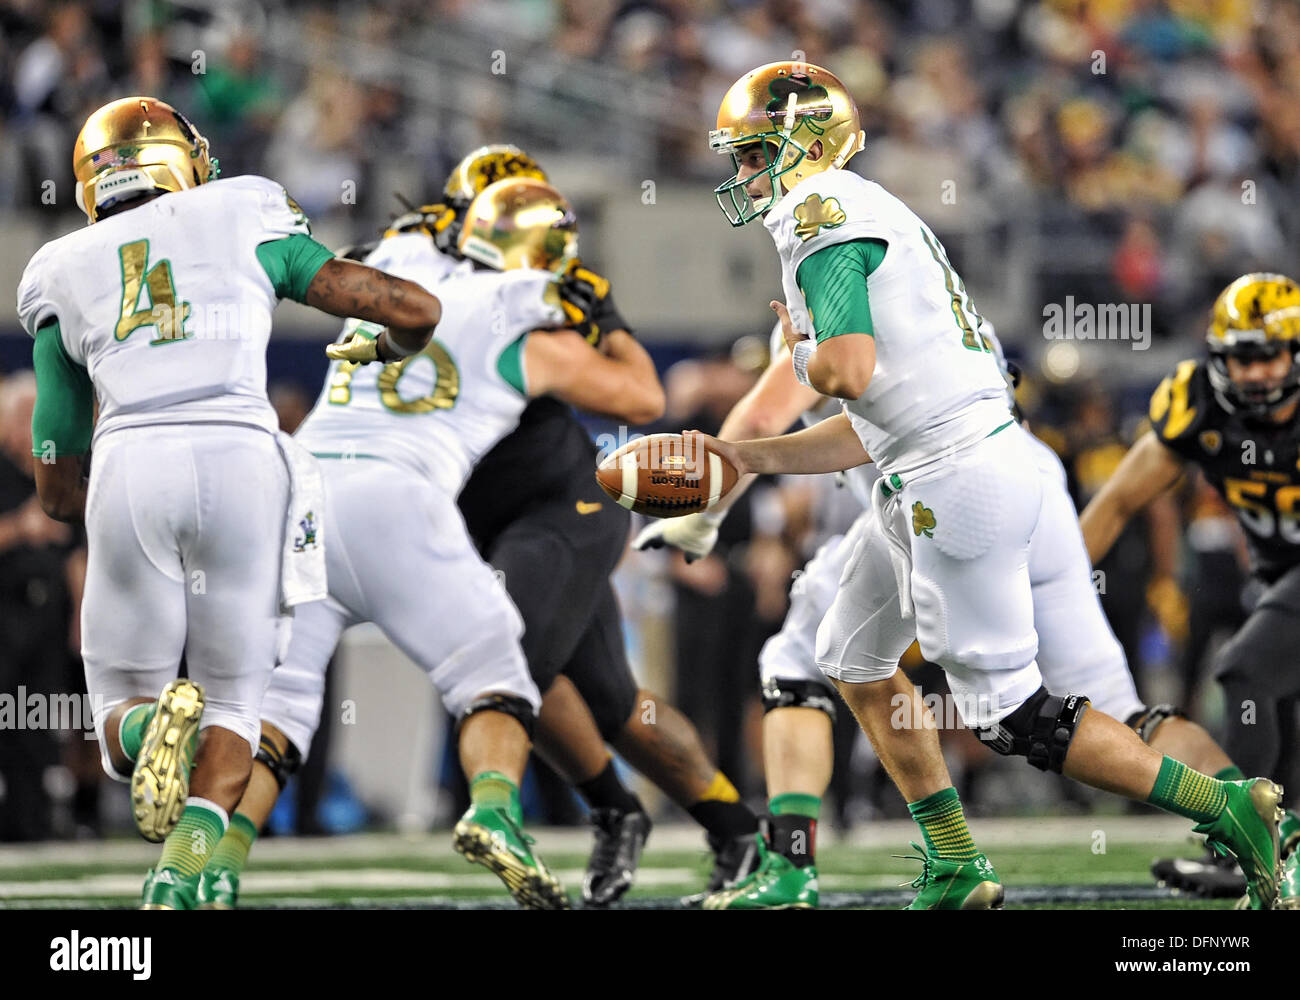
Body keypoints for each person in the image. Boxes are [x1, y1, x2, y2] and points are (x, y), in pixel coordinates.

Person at [685, 61, 1285, 909]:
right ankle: (955, 860)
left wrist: (800, 352)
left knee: (1013, 717)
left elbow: (848, 371)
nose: (742, 173)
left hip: (954, 484)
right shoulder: (867, 207)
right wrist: (747, 458)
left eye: (753, 152)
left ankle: (1229, 810)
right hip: (941, 463)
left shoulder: (817, 216)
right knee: (850, 656)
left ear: (804, 145)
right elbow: (875, 424)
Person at [198, 176, 671, 910]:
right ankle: (493, 809)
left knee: (280, 710)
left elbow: (365, 273)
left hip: (300, 492)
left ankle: (214, 867)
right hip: (398, 498)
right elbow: (641, 397)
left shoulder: (394, 261)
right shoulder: (524, 306)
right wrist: (601, 314)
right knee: (498, 672)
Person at [16, 96, 442, 908]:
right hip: (246, 457)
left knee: (118, 710)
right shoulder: (243, 206)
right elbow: (414, 309)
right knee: (239, 700)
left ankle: (149, 731)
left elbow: (55, 481)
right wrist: (389, 346)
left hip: (132, 463)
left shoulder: (60, 269)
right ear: (183, 159)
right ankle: (184, 868)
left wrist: (83, 504)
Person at [1080, 272, 1300, 906]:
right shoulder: (1200, 404)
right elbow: (1119, 501)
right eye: (1239, 358)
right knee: (1276, 698)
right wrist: (1051, 588)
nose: (1253, 373)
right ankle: (1276, 847)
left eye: (1266, 357)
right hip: (1280, 572)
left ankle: (1246, 852)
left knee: (1245, 671)